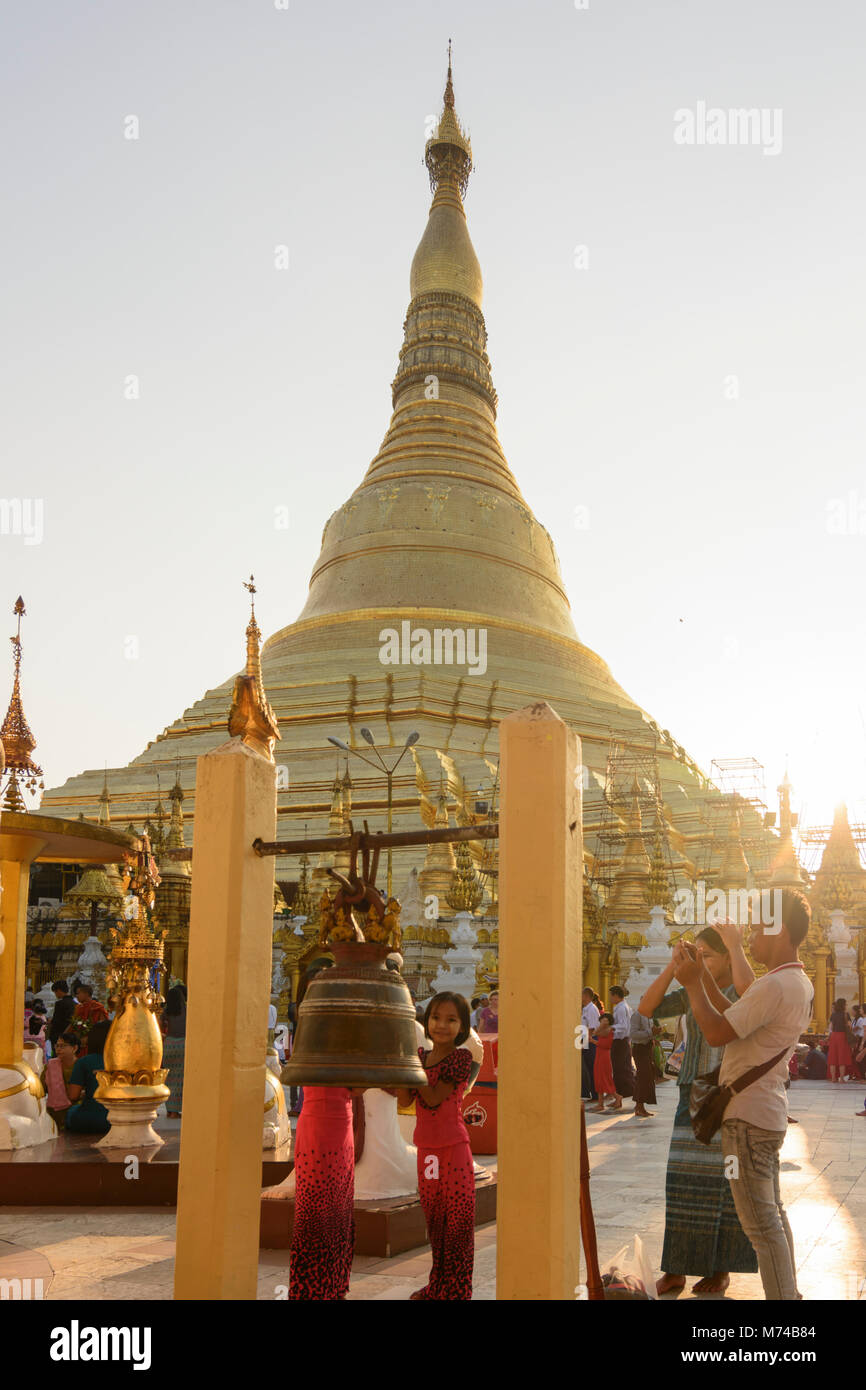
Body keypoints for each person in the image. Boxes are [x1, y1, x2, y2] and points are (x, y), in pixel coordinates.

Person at [671, 890, 815, 1302]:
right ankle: (790, 1295)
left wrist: (691, 987)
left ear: (780, 930)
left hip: (747, 1123)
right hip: (763, 1116)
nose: (750, 937)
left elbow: (715, 1032)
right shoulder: (792, 981)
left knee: (759, 1223)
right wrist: (700, 979)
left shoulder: (777, 985)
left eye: (756, 929)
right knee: (772, 1214)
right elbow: (733, 1015)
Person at [638, 923, 758, 1295]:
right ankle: (675, 1269)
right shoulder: (691, 989)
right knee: (681, 1182)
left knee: (723, 1185)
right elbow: (646, 1008)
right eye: (698, 954)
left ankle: (721, 1269)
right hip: (691, 1091)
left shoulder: (742, 991)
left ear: (727, 957)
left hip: (728, 1095)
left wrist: (734, 951)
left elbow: (746, 994)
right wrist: (674, 967)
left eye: (708, 955)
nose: (701, 961)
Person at [394, 991, 475, 1300]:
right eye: (436, 1018)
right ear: (426, 1022)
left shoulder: (460, 1058)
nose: (442, 1025)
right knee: (436, 1222)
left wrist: (411, 1066)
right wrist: (404, 1063)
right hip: (426, 1152)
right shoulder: (420, 1057)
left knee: (457, 1226)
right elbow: (405, 1100)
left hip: (453, 1149)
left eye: (451, 1020)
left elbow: (431, 1097)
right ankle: (438, 1285)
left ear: (462, 1026)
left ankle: (456, 1291)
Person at [66, 1020, 112, 1134]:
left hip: (90, 1118)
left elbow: (73, 1095)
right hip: (121, 1119)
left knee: (72, 1111)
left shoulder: (84, 1062)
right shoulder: (125, 1062)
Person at [44, 1030, 81, 1128]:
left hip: (77, 1111)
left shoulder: (82, 1065)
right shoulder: (51, 1065)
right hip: (54, 1112)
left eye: (63, 1046)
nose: (58, 1049)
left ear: (74, 1048)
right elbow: (42, 1088)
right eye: (57, 1046)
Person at [161, 984, 187, 1118]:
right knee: (179, 1079)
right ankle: (175, 1111)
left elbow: (159, 1028)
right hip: (183, 1044)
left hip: (169, 1044)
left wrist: (165, 1037)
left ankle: (169, 1110)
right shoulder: (187, 1010)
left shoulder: (166, 1011)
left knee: (169, 1078)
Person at [608, 986, 635, 1101]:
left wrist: (610, 1028)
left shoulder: (621, 1008)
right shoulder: (625, 1006)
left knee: (620, 1070)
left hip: (620, 1041)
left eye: (610, 995)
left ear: (616, 995)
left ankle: (622, 1095)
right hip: (624, 1041)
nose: (610, 998)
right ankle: (623, 1095)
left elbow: (623, 1026)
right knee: (624, 1069)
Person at [629, 1005, 656, 1118]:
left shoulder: (649, 1016)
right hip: (639, 1049)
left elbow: (648, 1032)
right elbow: (633, 1034)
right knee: (643, 1077)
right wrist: (650, 1032)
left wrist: (655, 1033)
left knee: (647, 1078)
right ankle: (639, 1107)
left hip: (647, 1048)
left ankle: (639, 1106)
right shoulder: (637, 1015)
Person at [589, 1014, 618, 1111]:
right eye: (602, 1020)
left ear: (609, 1021)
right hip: (600, 1055)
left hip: (604, 1056)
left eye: (605, 1020)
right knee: (599, 1078)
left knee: (604, 1078)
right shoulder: (605, 1029)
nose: (603, 1022)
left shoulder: (608, 1030)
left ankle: (617, 1097)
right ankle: (600, 1103)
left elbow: (604, 1043)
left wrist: (593, 1041)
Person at [827, 998, 854, 1082]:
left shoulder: (833, 1014)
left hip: (834, 1036)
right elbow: (849, 1025)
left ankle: (833, 1078)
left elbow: (830, 1027)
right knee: (842, 1057)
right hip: (842, 1036)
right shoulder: (846, 1014)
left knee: (833, 1058)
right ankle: (841, 1078)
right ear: (843, 1005)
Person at [581, 986, 600, 1101]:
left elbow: (591, 1028)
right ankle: (588, 1092)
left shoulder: (592, 1009)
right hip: (584, 1039)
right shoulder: (585, 1009)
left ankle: (596, 1094)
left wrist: (583, 1043)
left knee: (592, 1068)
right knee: (586, 1068)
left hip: (590, 1041)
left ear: (586, 996)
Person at [47, 981, 76, 1048]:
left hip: (59, 1034)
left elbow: (56, 1021)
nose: (55, 994)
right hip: (71, 1034)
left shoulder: (60, 1003)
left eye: (55, 992)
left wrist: (51, 1021)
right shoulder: (74, 1003)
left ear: (59, 991)